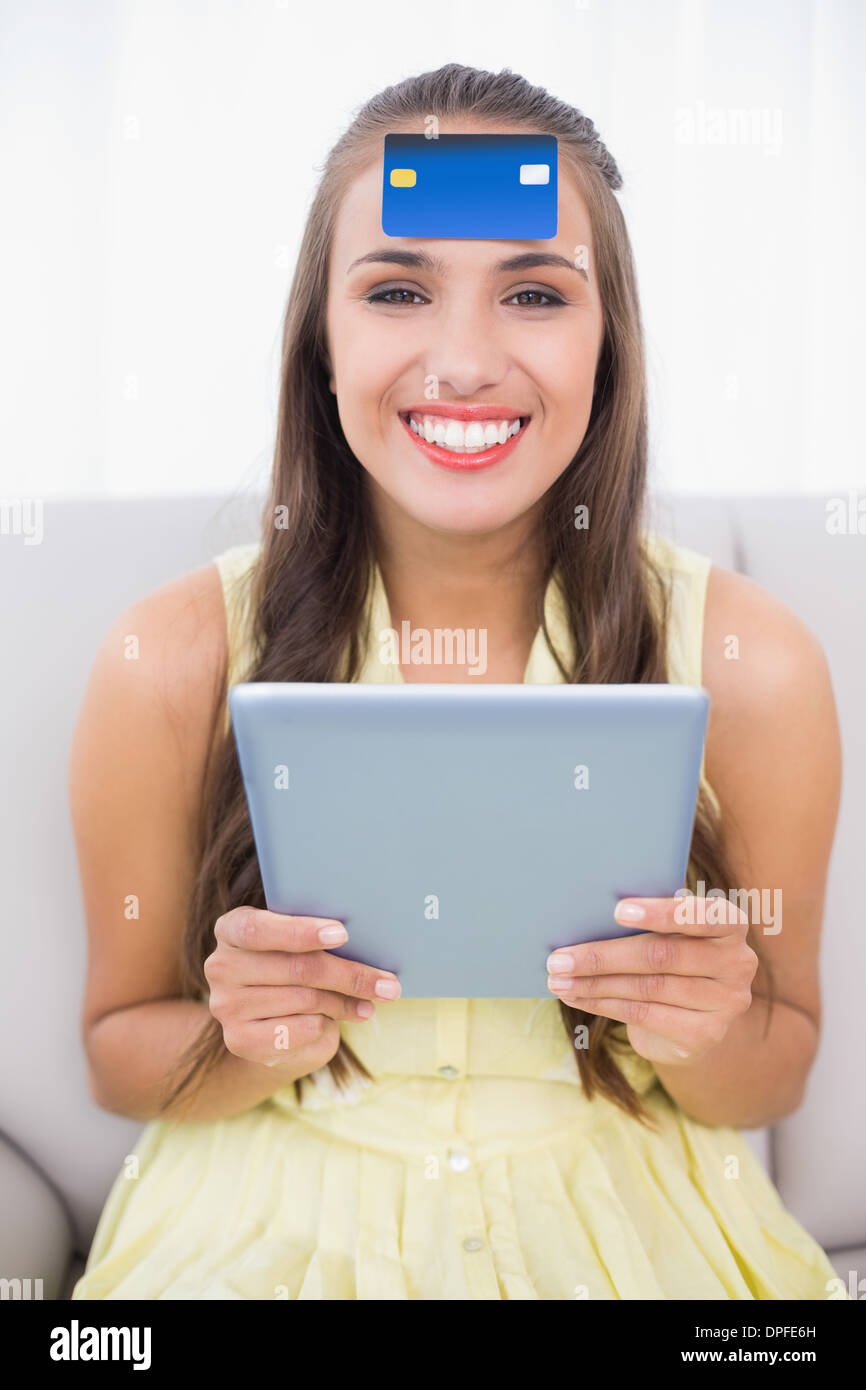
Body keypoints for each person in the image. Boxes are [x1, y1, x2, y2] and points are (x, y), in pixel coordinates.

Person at [70, 63, 844, 1300]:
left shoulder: (755, 666)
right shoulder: (168, 659)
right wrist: (250, 1035)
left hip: (626, 1223)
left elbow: (778, 1067)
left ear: (609, 341)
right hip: (267, 1222)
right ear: (321, 341)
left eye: (534, 292)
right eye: (396, 290)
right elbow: (118, 1053)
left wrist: (696, 1023)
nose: (466, 360)